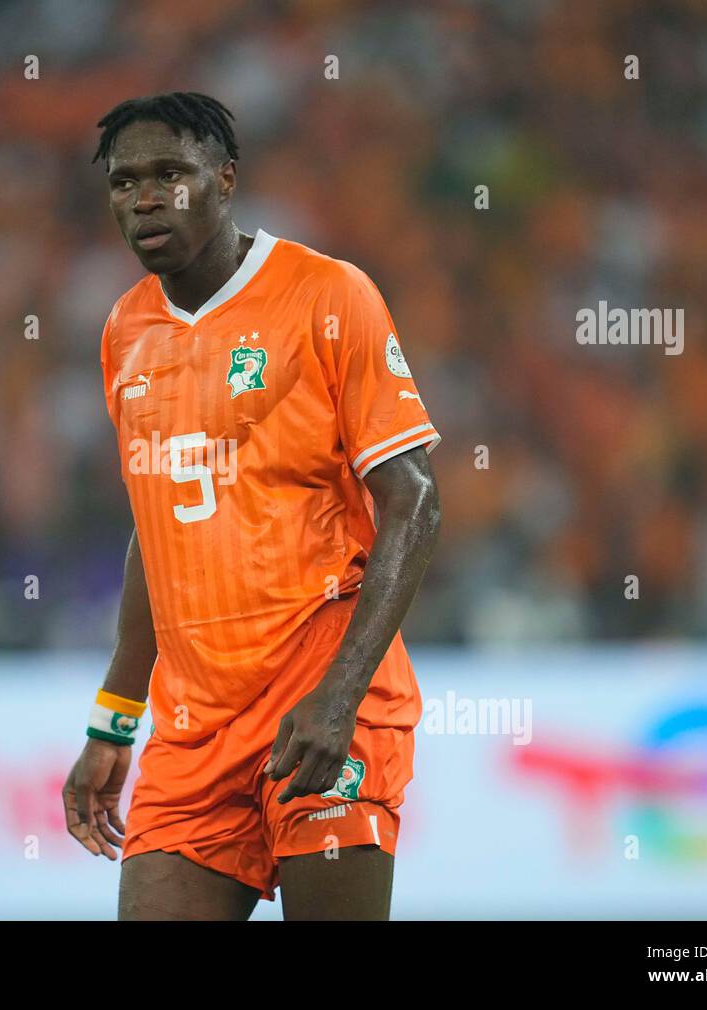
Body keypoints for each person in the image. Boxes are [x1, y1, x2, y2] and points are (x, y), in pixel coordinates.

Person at [63, 92, 442, 921]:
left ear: (226, 180)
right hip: (195, 735)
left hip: (325, 703)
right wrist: (115, 720)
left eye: (171, 174)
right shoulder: (125, 332)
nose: (147, 199)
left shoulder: (328, 295)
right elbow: (156, 530)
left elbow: (414, 499)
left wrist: (340, 695)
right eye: (125, 183)